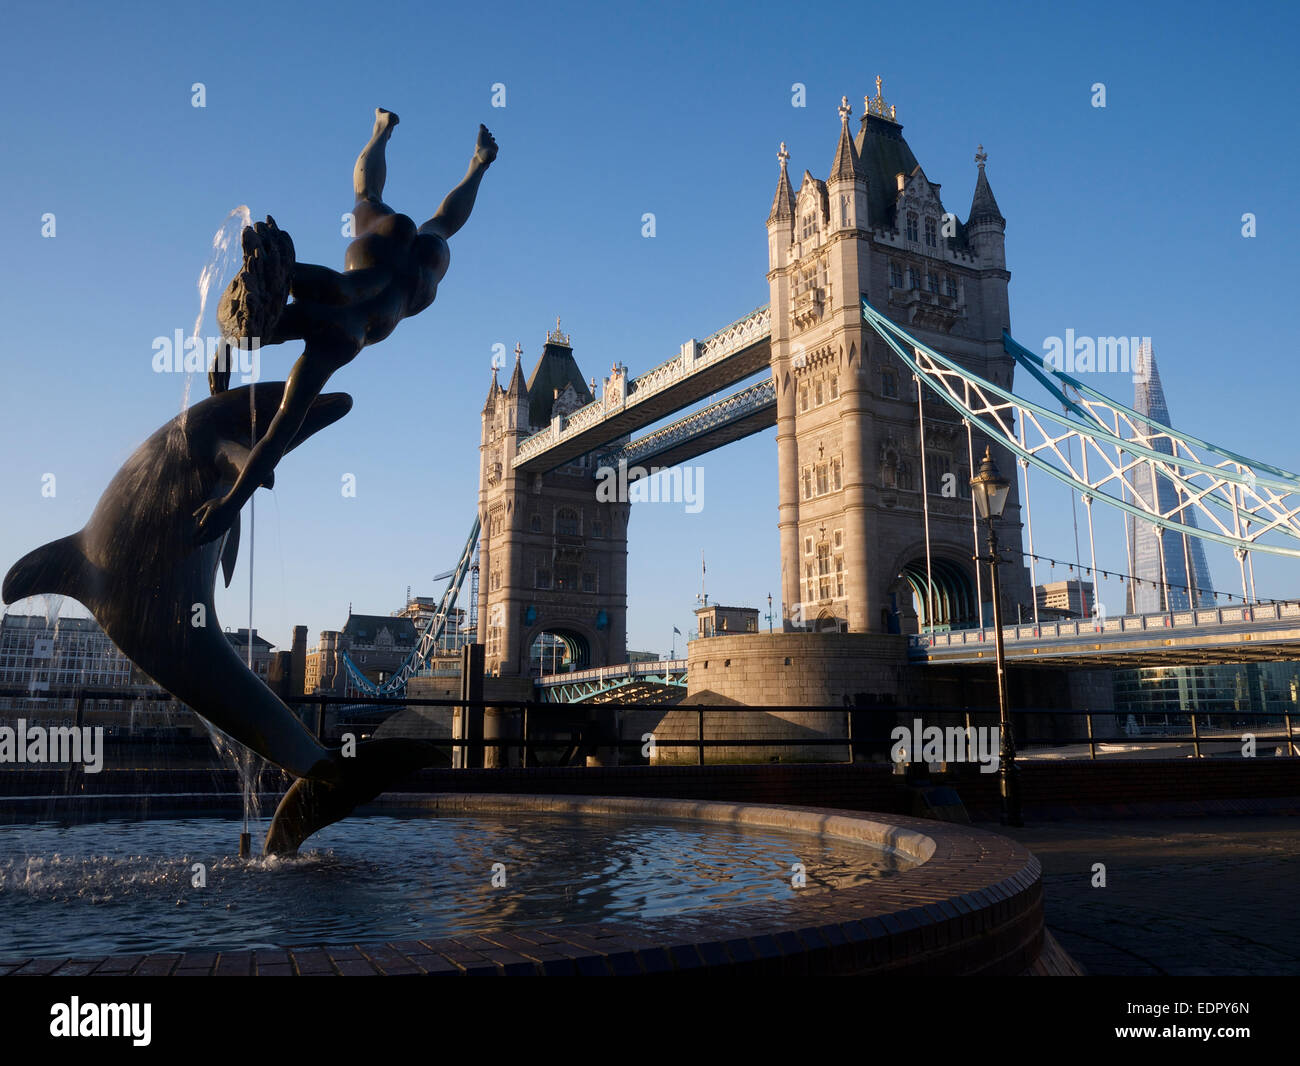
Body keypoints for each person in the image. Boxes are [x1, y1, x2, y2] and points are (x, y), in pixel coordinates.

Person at [194, 108, 497, 543]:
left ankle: (477, 164)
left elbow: (277, 437)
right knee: (367, 195)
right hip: (384, 251)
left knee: (440, 228)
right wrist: (226, 342)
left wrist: (229, 505)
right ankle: (384, 130)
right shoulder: (316, 286)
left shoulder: (334, 346)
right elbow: (268, 280)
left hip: (419, 280)